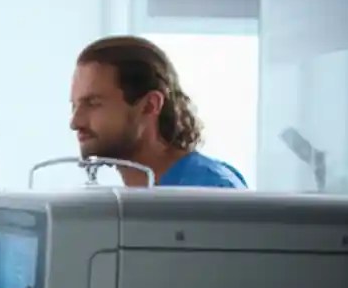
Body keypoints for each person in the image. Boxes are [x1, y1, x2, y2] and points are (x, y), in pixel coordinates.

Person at [71, 35, 248, 188]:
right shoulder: (131, 204)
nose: (75, 122)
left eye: (93, 103)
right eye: (74, 106)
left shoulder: (212, 193)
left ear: (150, 105)